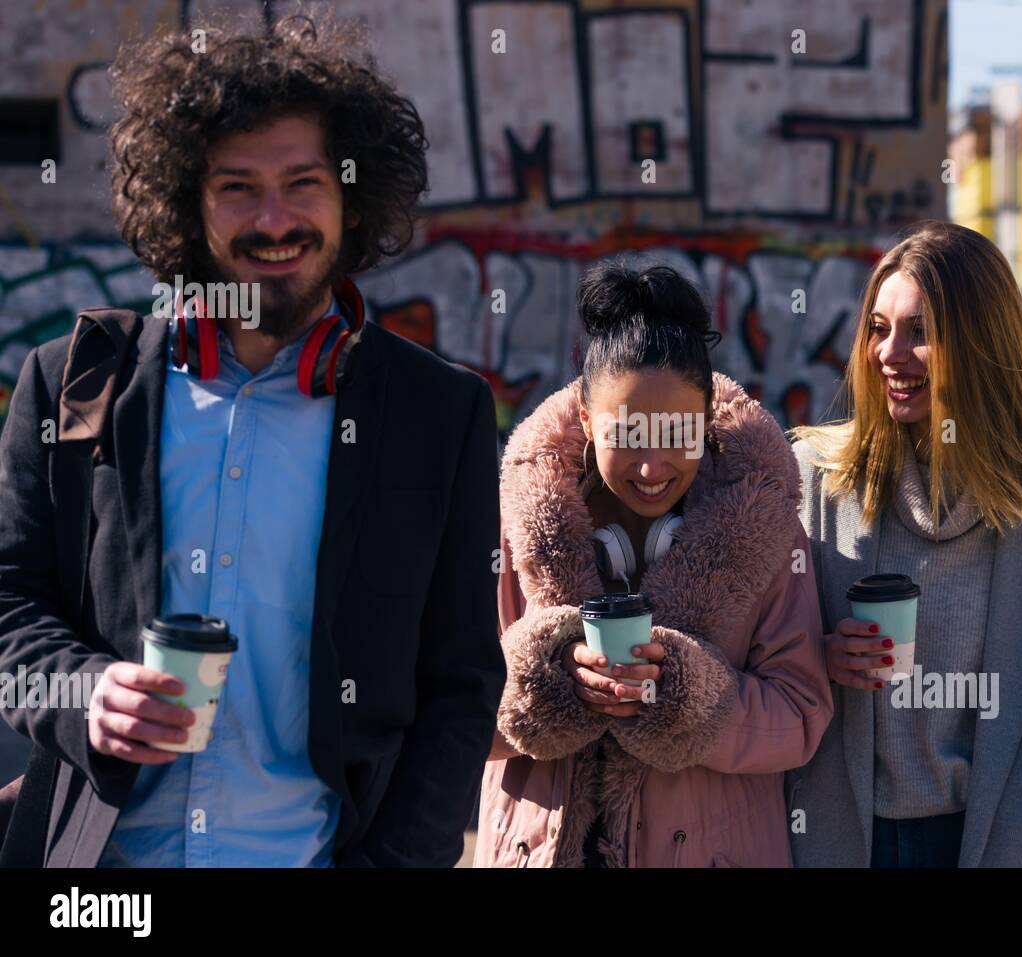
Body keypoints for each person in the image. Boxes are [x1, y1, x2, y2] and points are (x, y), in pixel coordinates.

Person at [0, 14, 504, 867]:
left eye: (303, 182)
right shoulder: (74, 383)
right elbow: (10, 605)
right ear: (187, 203)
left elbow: (461, 688)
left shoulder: (439, 414)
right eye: (237, 187)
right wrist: (85, 692)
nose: (274, 220)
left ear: (352, 194)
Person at [787, 221, 1022, 868]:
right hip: (839, 839)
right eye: (878, 327)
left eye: (920, 331)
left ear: (980, 343)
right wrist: (820, 656)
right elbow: (761, 657)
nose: (889, 352)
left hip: (1004, 842)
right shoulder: (811, 479)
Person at [475, 262, 832, 867]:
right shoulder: (512, 525)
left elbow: (799, 714)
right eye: (629, 434)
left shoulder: (766, 529)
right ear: (587, 420)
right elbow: (451, 708)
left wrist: (686, 700)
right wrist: (551, 684)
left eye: (678, 434)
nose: (652, 466)